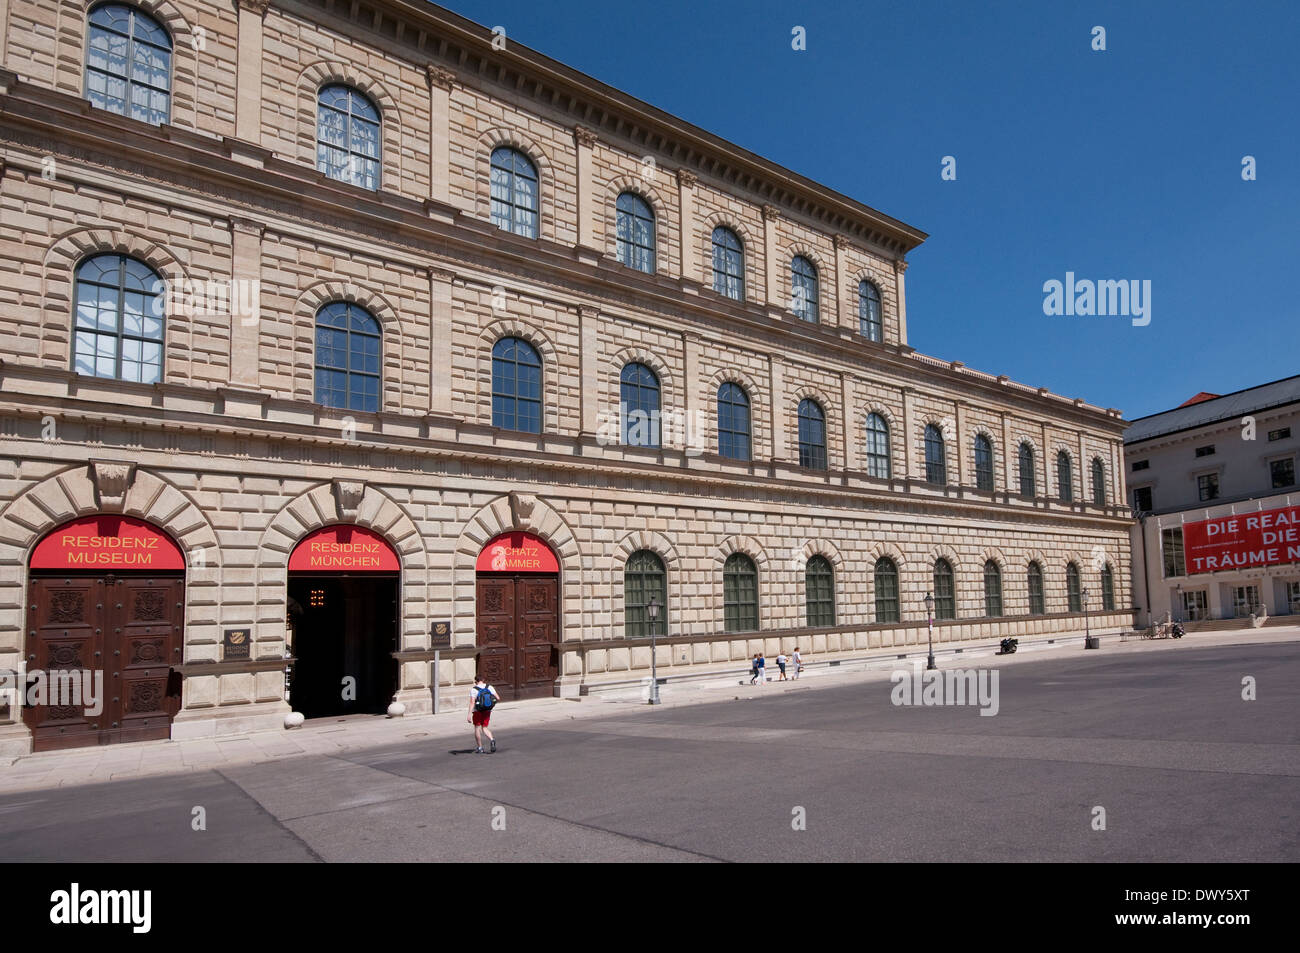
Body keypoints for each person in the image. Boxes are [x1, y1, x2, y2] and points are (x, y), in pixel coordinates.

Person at [468, 674, 500, 753]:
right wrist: (490, 704)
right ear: (483, 680)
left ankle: (480, 748)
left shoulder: (474, 689)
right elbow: (498, 698)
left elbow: (472, 702)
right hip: (487, 710)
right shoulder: (489, 687)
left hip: (477, 711)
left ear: (476, 681)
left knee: (477, 728)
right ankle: (492, 739)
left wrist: (469, 714)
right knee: (485, 727)